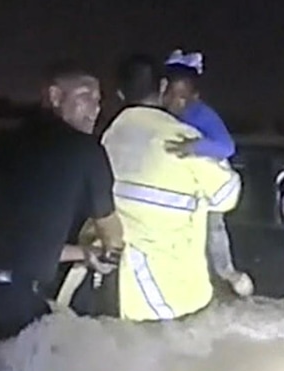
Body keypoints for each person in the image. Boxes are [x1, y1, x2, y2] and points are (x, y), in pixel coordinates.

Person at [0, 62, 124, 355]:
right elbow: (112, 239)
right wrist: (109, 254)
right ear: (55, 96)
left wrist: (85, 254)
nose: (95, 108)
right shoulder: (87, 150)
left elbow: (24, 244)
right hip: (15, 305)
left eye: (98, 100)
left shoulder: (6, 142)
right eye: (85, 96)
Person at [99, 54, 241, 322]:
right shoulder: (181, 139)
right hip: (176, 297)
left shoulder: (107, 139)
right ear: (163, 86)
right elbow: (227, 195)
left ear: (119, 93)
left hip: (123, 295)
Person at [161, 49, 253, 298]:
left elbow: (226, 147)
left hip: (212, 186)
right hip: (185, 189)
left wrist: (193, 147)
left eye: (184, 97)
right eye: (172, 95)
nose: (178, 102)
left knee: (213, 228)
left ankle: (228, 274)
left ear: (195, 95)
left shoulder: (201, 114)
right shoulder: (161, 117)